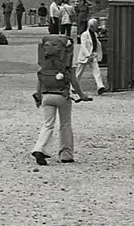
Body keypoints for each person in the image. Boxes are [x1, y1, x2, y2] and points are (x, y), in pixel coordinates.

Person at [31, 35, 91, 166]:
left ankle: (39, 149)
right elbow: (73, 80)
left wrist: (39, 97)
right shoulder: (67, 59)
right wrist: (82, 95)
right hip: (62, 95)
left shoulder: (44, 60)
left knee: (47, 125)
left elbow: (40, 78)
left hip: (46, 95)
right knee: (65, 125)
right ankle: (66, 154)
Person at [75, 18, 107, 95]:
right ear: (91, 26)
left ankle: (100, 86)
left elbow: (96, 44)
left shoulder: (95, 34)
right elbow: (83, 45)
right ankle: (74, 87)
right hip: (85, 56)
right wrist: (87, 55)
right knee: (79, 73)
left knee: (97, 71)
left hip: (93, 55)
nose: (97, 27)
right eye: (95, 25)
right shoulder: (84, 34)